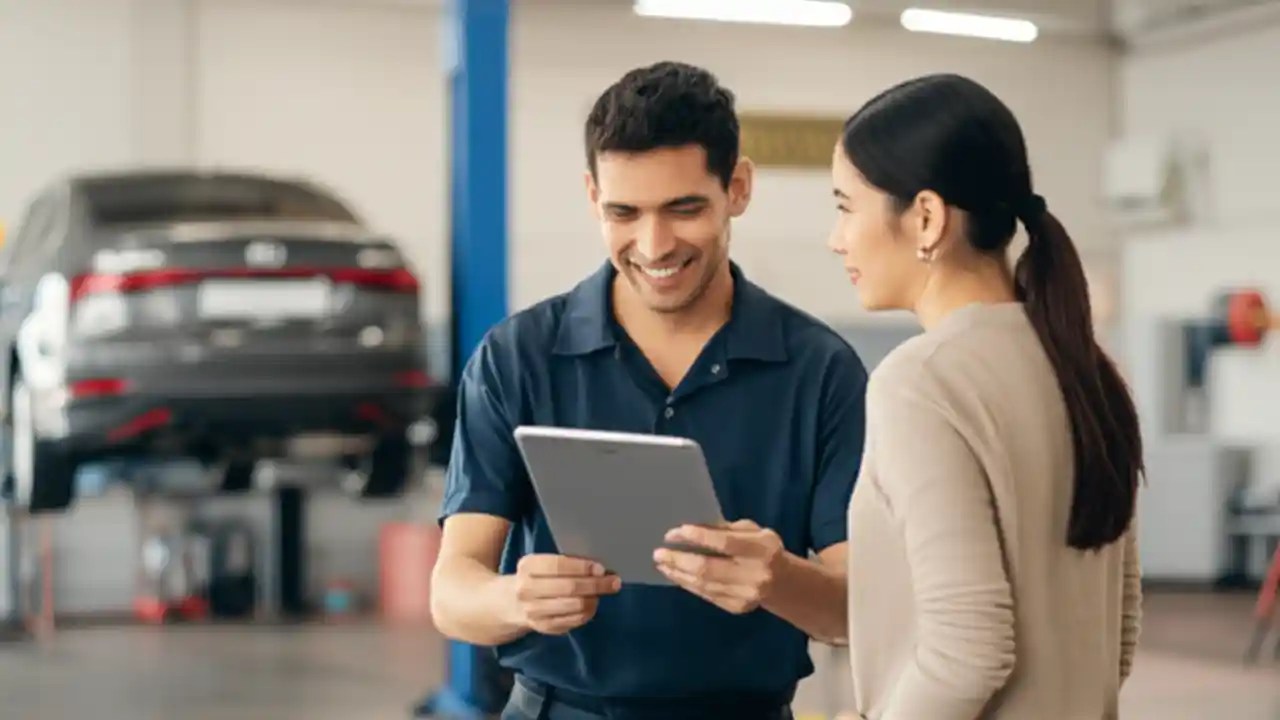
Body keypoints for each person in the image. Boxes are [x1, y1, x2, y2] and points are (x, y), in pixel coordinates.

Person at [430, 61, 868, 720]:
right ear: (591, 196)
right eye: (623, 213)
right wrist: (514, 600)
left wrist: (780, 579)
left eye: (684, 208)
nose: (653, 244)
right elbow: (451, 590)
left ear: (738, 188)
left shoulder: (820, 371)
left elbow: (855, 609)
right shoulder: (517, 357)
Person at [828, 73, 1144, 720]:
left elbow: (969, 649)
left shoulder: (920, 383)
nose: (837, 238)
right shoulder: (1084, 367)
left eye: (844, 206)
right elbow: (1120, 631)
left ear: (925, 216)